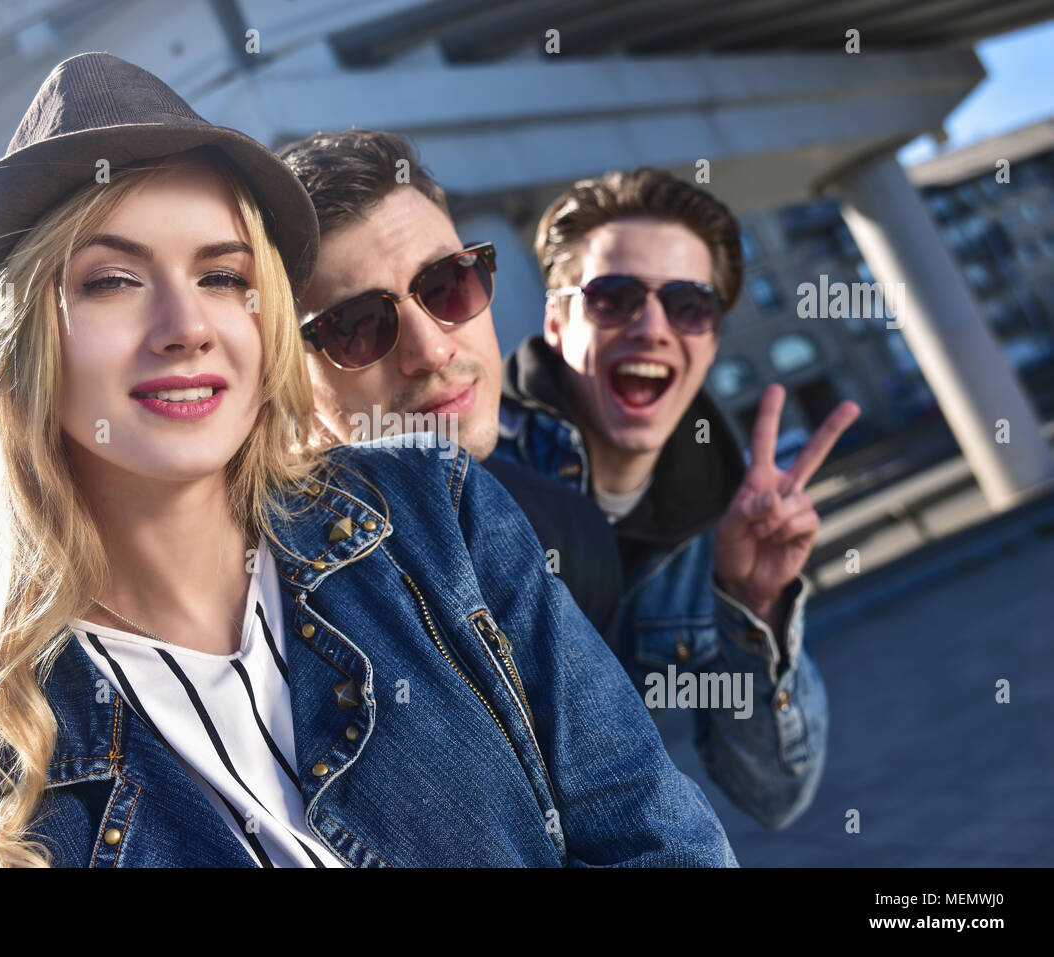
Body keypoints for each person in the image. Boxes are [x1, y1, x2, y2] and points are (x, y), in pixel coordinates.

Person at [0, 52, 736, 867]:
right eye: (113, 279)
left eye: (223, 276)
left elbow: (657, 839)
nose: (186, 325)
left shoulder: (436, 512)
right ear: (28, 351)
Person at [280, 132, 856, 829]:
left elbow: (763, 792)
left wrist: (752, 605)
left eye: (446, 285)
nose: (431, 348)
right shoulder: (263, 595)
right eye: (356, 326)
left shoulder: (685, 520)